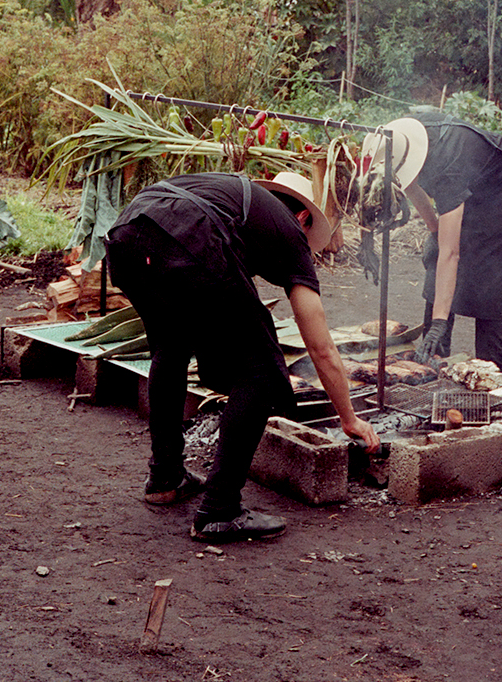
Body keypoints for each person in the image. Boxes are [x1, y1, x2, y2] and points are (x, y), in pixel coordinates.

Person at [105, 169, 380, 544]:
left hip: (127, 237)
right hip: (189, 237)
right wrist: (349, 419)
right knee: (263, 373)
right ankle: (219, 511)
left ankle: (165, 479)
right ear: (302, 217)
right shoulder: (289, 231)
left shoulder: (234, 201)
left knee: (171, 348)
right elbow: (320, 346)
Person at [372, 110, 502, 373]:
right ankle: (433, 360)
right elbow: (411, 184)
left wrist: (440, 320)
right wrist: (434, 229)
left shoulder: (448, 165)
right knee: (435, 252)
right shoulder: (407, 137)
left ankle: (492, 367)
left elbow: (451, 253)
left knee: (488, 277)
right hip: (473, 185)